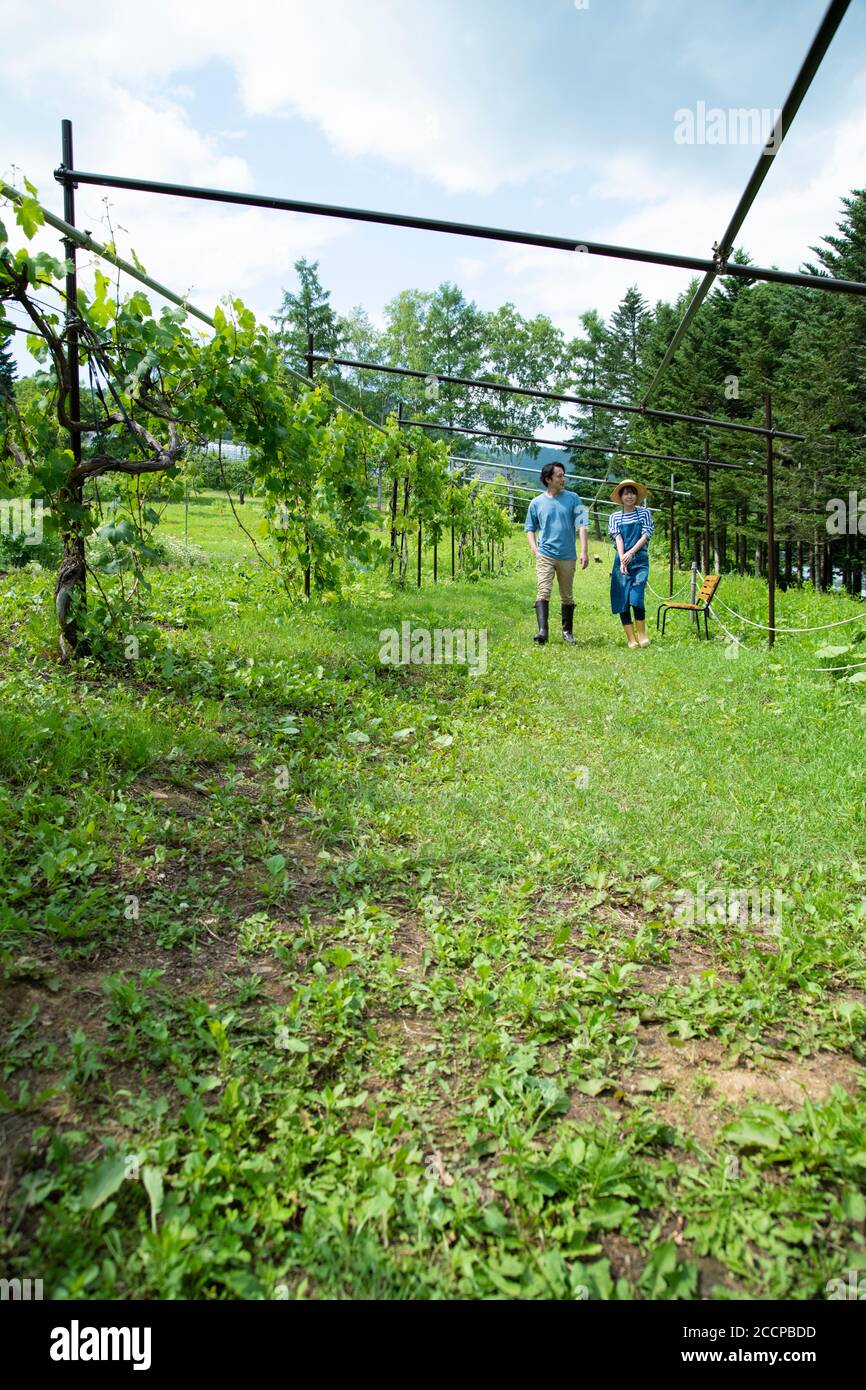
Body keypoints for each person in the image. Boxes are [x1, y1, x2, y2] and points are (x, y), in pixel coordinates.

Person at [524, 462, 589, 644]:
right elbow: (529, 528)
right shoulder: (536, 502)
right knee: (543, 591)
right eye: (559, 476)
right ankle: (543, 631)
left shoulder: (574, 498)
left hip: (568, 555)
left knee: (567, 595)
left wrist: (584, 551)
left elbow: (583, 524)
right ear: (548, 479)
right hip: (545, 554)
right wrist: (535, 549)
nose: (563, 479)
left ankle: (567, 633)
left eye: (563, 475)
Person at [608, 479, 653, 648]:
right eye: (626, 493)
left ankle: (642, 635)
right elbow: (618, 538)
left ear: (637, 496)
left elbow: (645, 535)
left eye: (632, 493)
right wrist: (622, 558)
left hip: (640, 559)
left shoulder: (644, 513)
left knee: (636, 596)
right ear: (621, 497)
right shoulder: (615, 517)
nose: (630, 496)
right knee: (622, 598)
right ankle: (631, 639)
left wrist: (631, 552)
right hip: (622, 562)